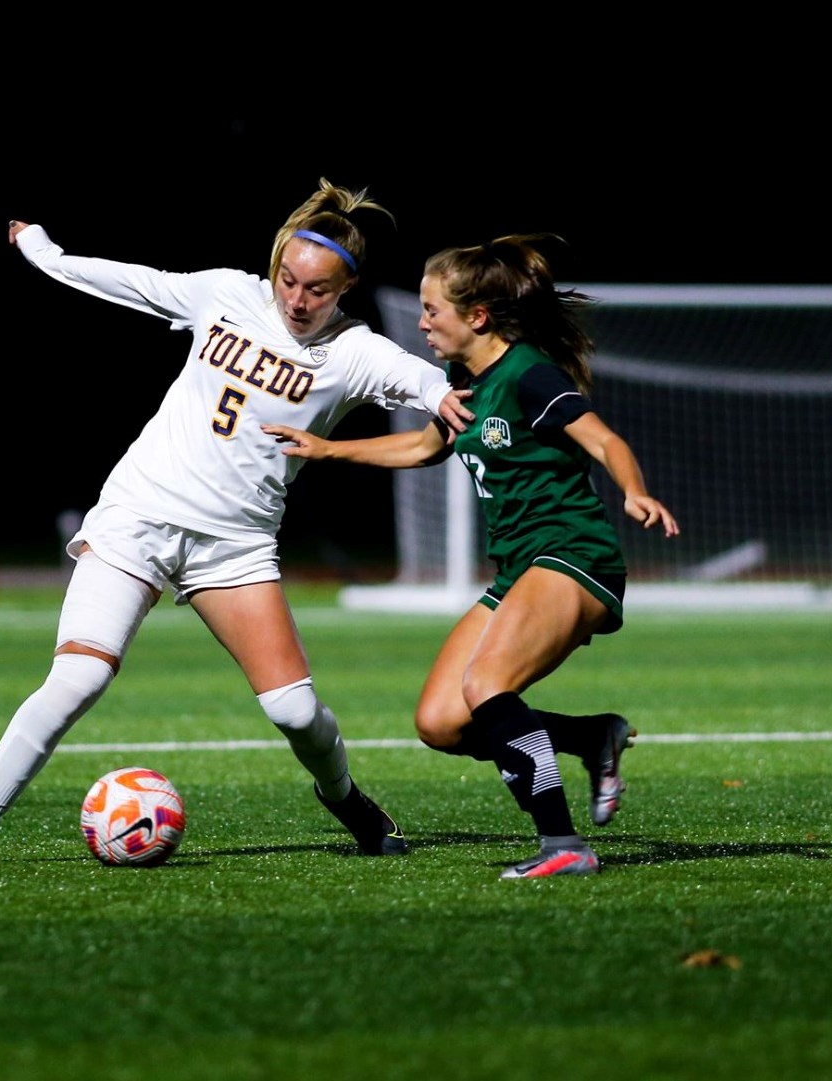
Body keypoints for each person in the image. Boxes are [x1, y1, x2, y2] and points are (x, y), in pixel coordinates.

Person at [0, 179, 475, 867]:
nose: (297, 299)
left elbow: (418, 379)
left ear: (347, 288)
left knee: (295, 713)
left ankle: (346, 797)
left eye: (317, 289)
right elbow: (131, 283)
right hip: (139, 516)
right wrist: (44, 250)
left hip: (234, 547)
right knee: (78, 678)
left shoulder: (352, 351)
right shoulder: (226, 293)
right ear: (275, 265)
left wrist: (441, 393)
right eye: (288, 279)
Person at [264, 234, 679, 879]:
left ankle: (562, 846)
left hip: (572, 556)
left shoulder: (527, 374)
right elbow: (423, 449)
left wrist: (636, 492)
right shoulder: (465, 382)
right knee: (441, 723)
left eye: (433, 311)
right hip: (519, 570)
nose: (423, 323)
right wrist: (326, 450)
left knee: (487, 685)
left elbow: (603, 438)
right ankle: (588, 735)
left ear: (476, 317)